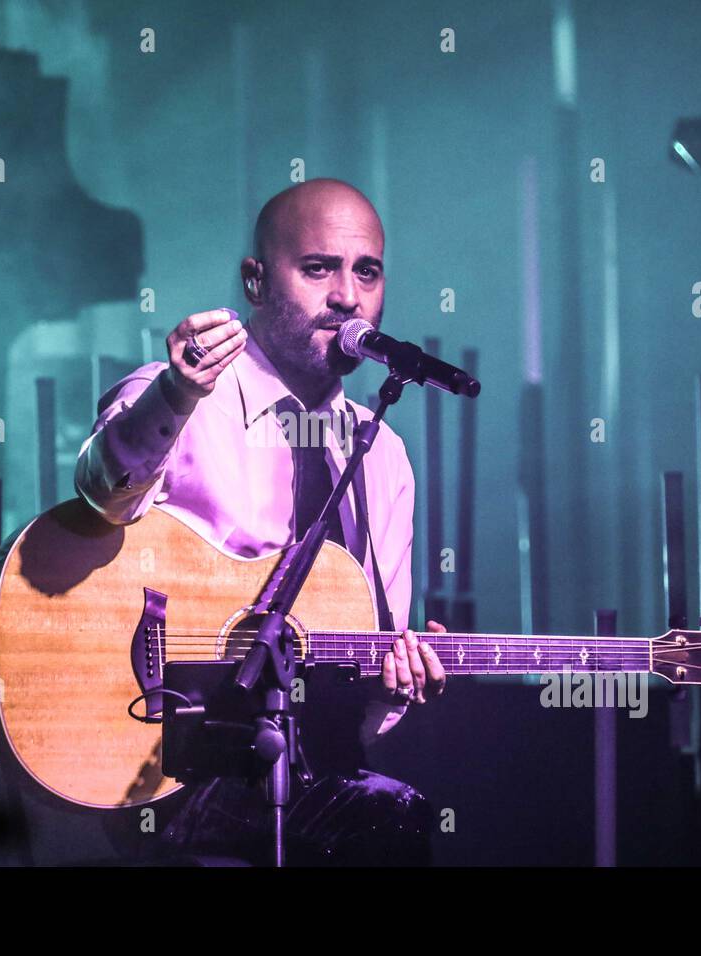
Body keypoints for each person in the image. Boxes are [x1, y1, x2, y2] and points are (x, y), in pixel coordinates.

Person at [75, 178, 446, 865]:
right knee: (386, 819)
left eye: (366, 271)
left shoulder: (383, 454)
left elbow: (366, 673)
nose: (347, 296)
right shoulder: (181, 397)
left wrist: (397, 674)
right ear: (255, 281)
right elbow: (102, 495)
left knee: (390, 814)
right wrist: (176, 392)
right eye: (318, 268)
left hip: (310, 764)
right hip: (167, 761)